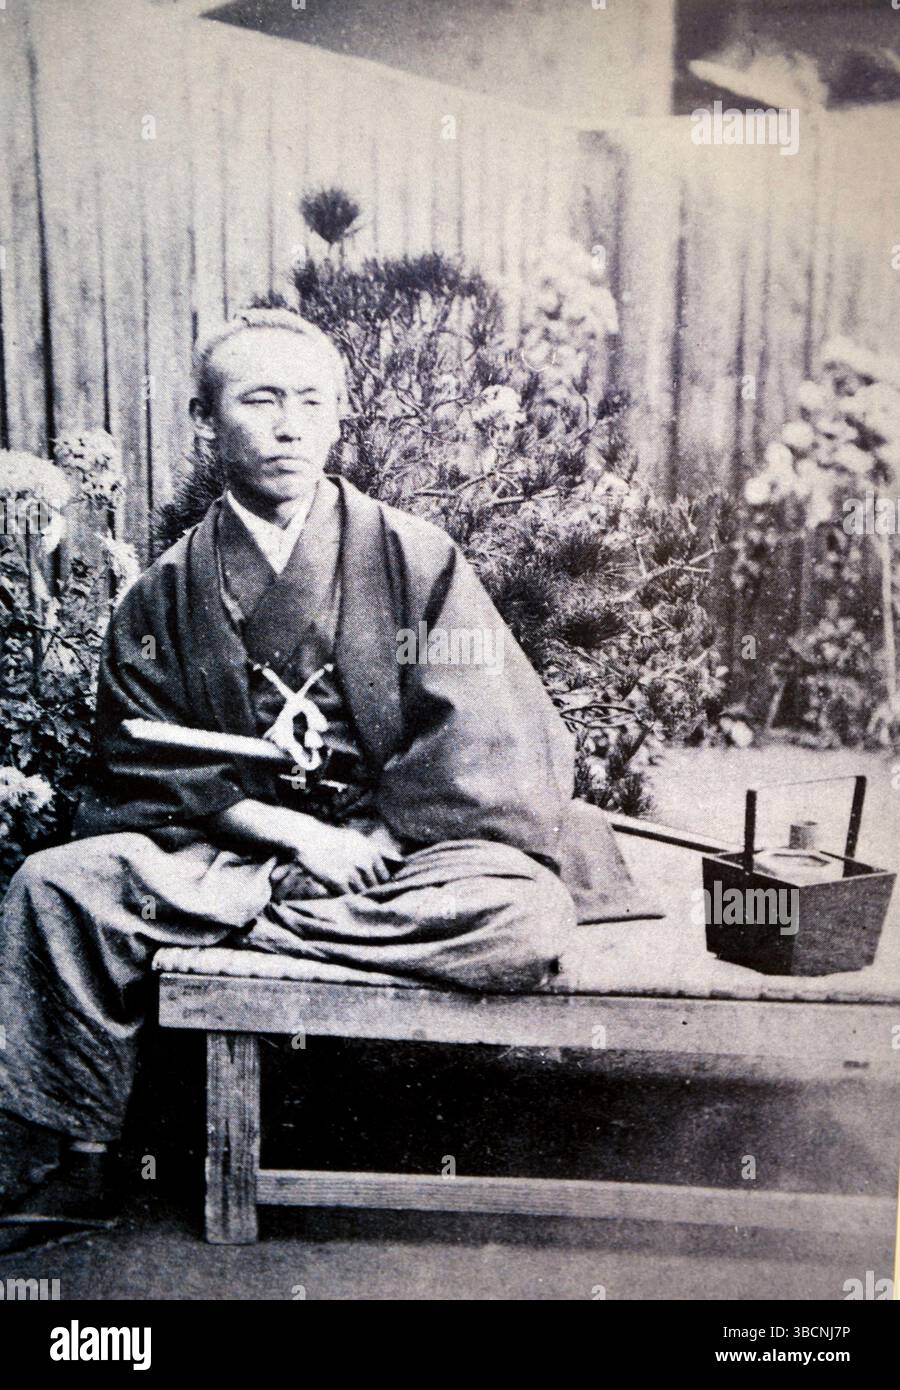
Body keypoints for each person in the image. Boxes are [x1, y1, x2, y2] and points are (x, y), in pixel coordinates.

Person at [0, 308, 646, 1248]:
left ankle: (228, 935)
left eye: (311, 401)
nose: (289, 425)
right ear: (204, 419)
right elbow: (140, 759)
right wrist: (295, 837)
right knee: (52, 888)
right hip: (239, 851)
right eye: (259, 400)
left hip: (397, 857)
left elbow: (486, 729)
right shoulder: (163, 595)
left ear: (340, 417)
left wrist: (377, 841)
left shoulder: (412, 557)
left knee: (525, 913)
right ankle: (83, 1155)